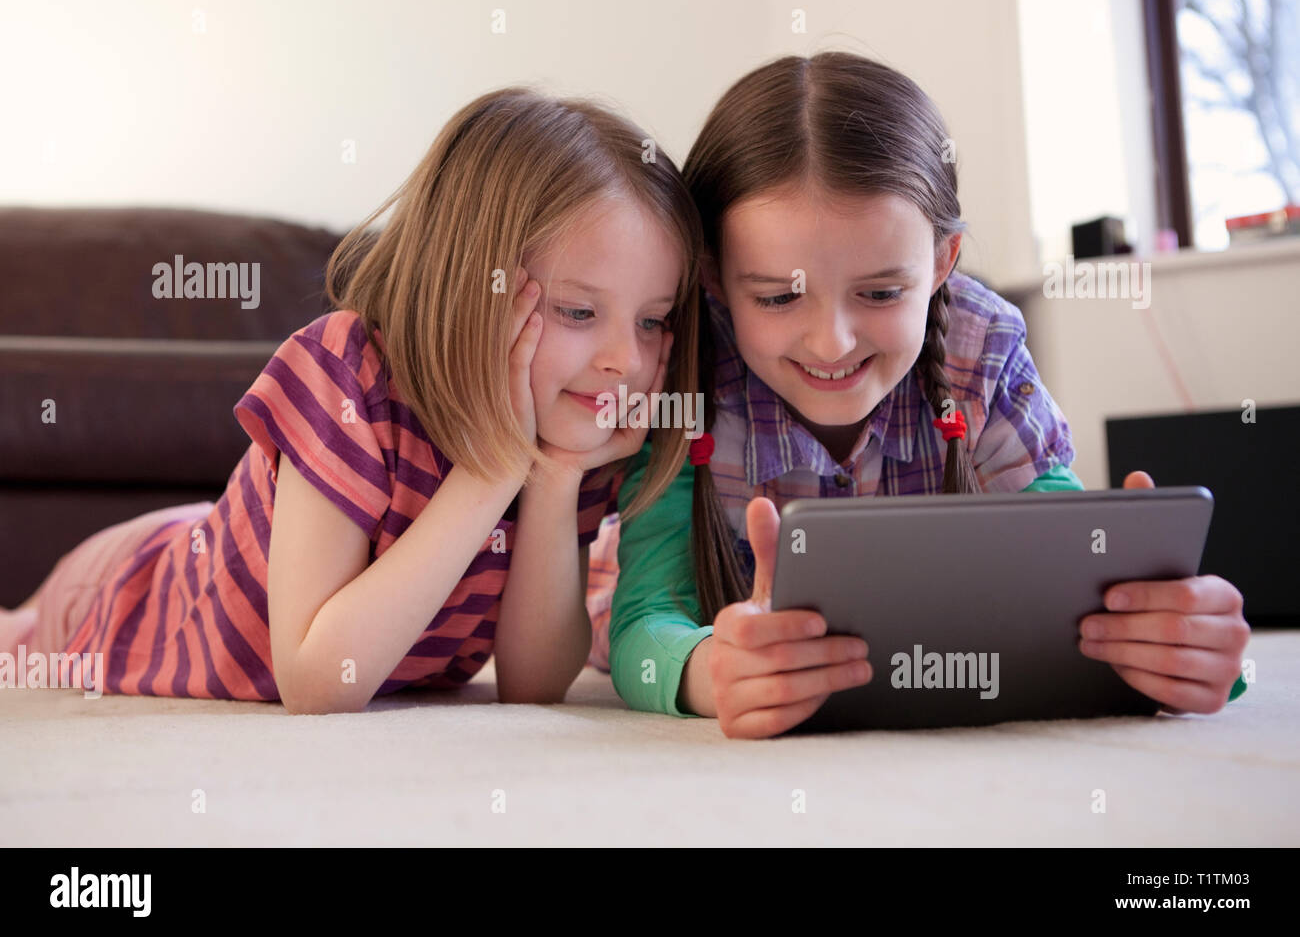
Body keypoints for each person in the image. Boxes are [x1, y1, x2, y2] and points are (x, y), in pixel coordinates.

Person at [601, 52, 1249, 738]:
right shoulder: (685, 368)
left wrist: (1189, 642)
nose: (831, 343)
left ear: (942, 262)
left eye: (881, 293)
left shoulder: (981, 351)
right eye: (779, 296)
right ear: (712, 278)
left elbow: (1081, 576)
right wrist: (712, 670)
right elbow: (644, 625)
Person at [1, 87, 704, 714]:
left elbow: (535, 684)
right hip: (132, 592)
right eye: (579, 312)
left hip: (242, 537)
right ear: (469, 286)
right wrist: (493, 468)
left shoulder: (563, 430)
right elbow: (317, 679)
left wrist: (553, 481)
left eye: (652, 321)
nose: (628, 360)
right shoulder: (348, 374)